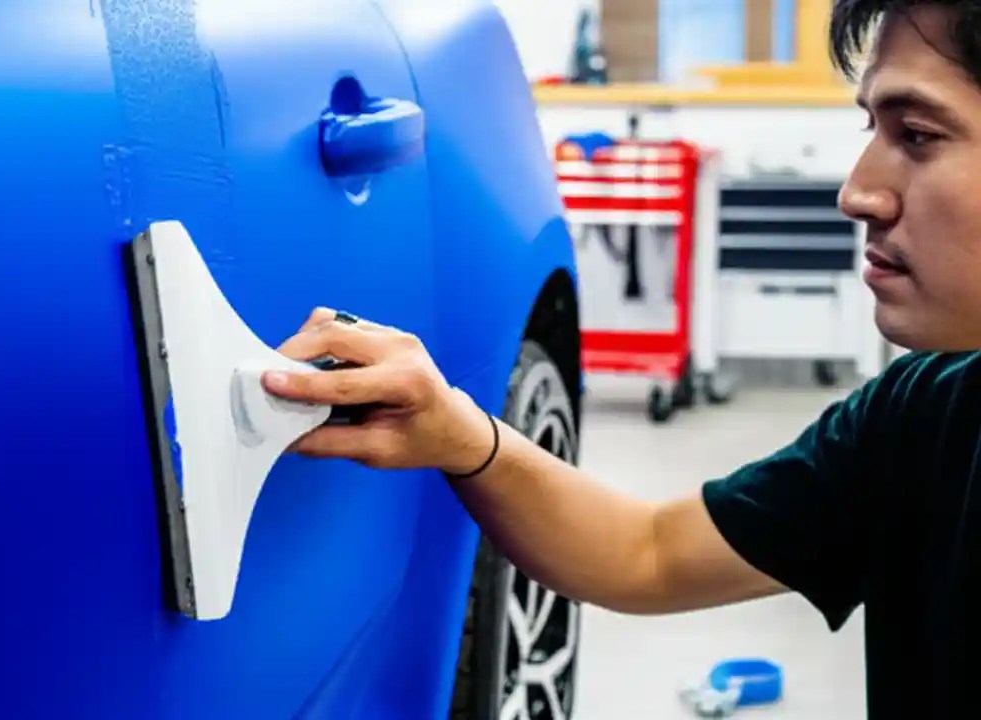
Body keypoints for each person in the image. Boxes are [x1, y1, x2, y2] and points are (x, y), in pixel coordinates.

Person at [260, 2, 981, 718]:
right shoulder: (920, 415)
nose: (858, 193)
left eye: (917, 134)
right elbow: (648, 553)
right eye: (873, 128)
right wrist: (460, 435)